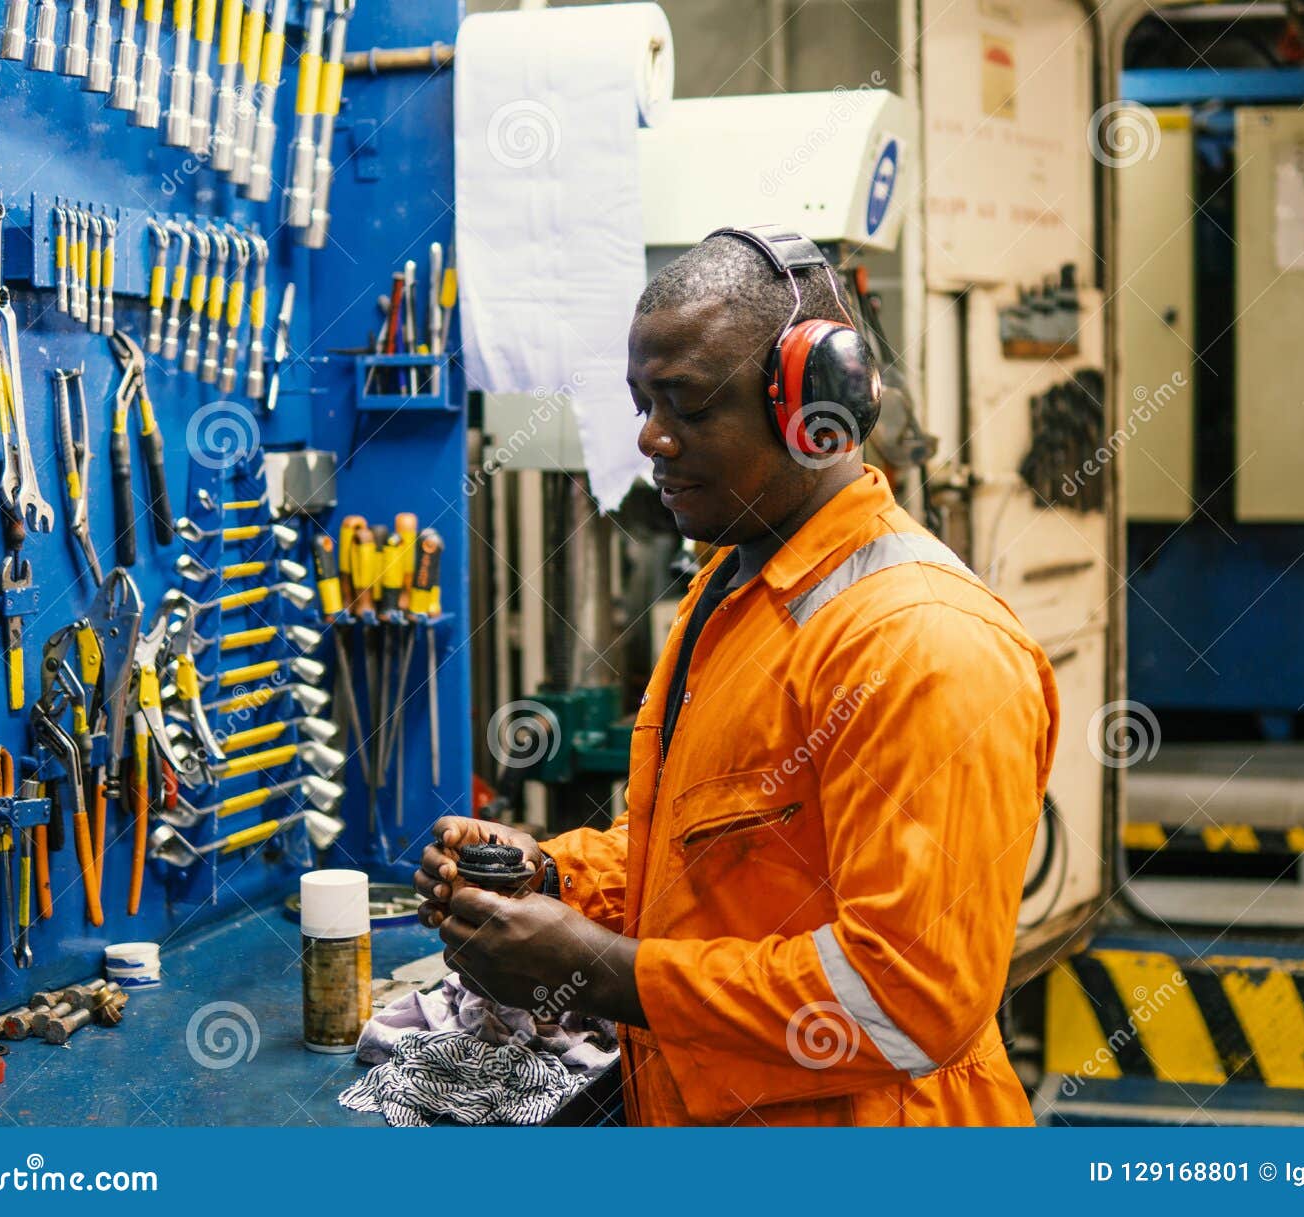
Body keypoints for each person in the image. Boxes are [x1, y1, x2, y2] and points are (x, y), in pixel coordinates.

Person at [415, 227, 1060, 1126]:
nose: (651, 438)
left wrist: (597, 967)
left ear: (812, 406)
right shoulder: (737, 588)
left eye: (684, 403)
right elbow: (697, 860)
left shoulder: (923, 645)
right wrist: (553, 879)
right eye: (642, 401)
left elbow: (907, 1002)